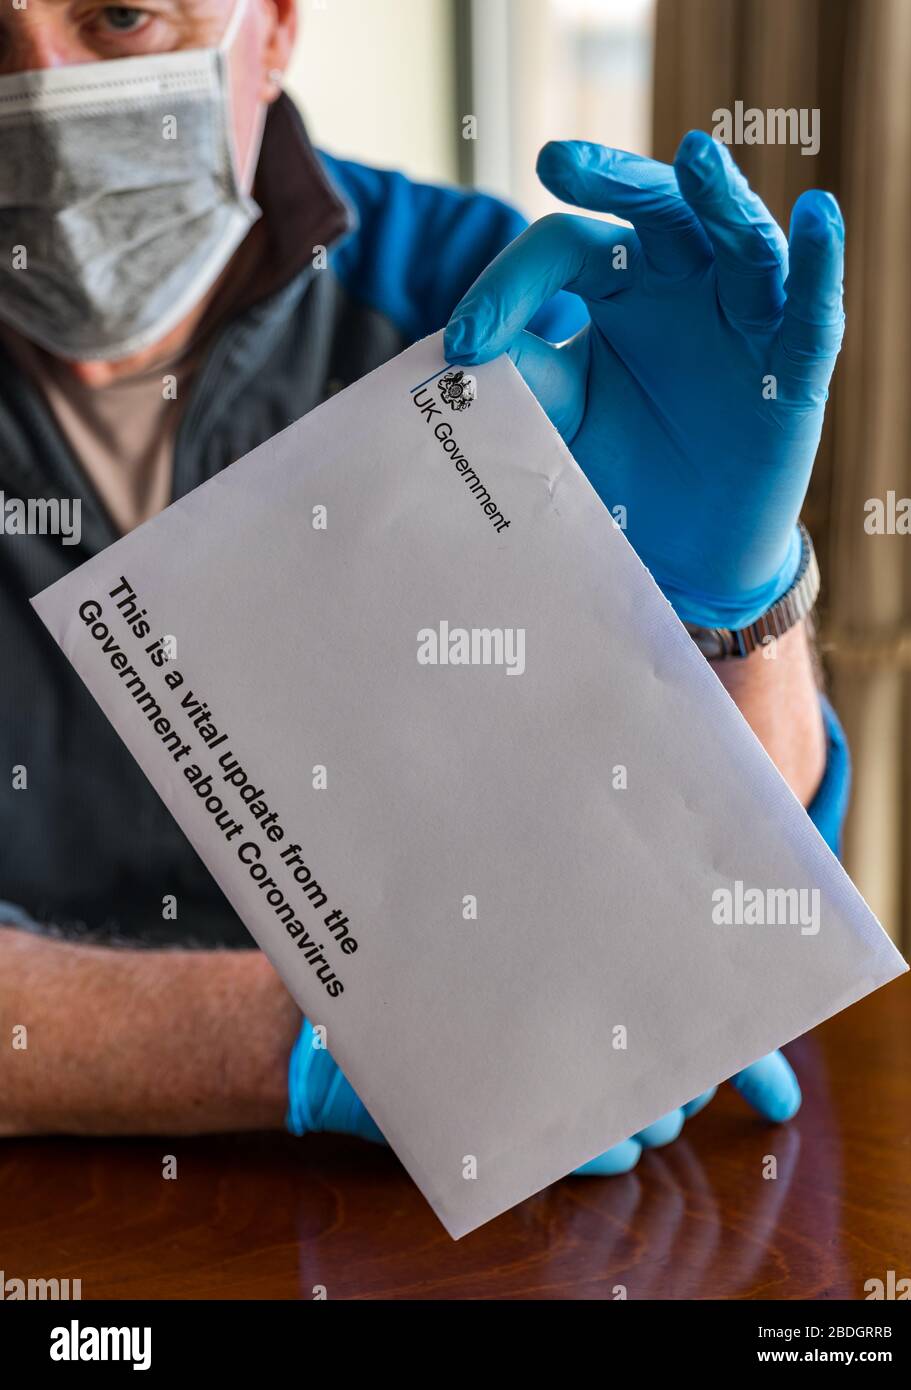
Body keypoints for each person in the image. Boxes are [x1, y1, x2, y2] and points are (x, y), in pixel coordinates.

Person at [0, 0, 847, 1176]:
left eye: (122, 16)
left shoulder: (473, 301)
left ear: (278, 25)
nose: (35, 97)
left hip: (513, 1228)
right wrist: (330, 1044)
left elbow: (740, 898)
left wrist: (732, 601)